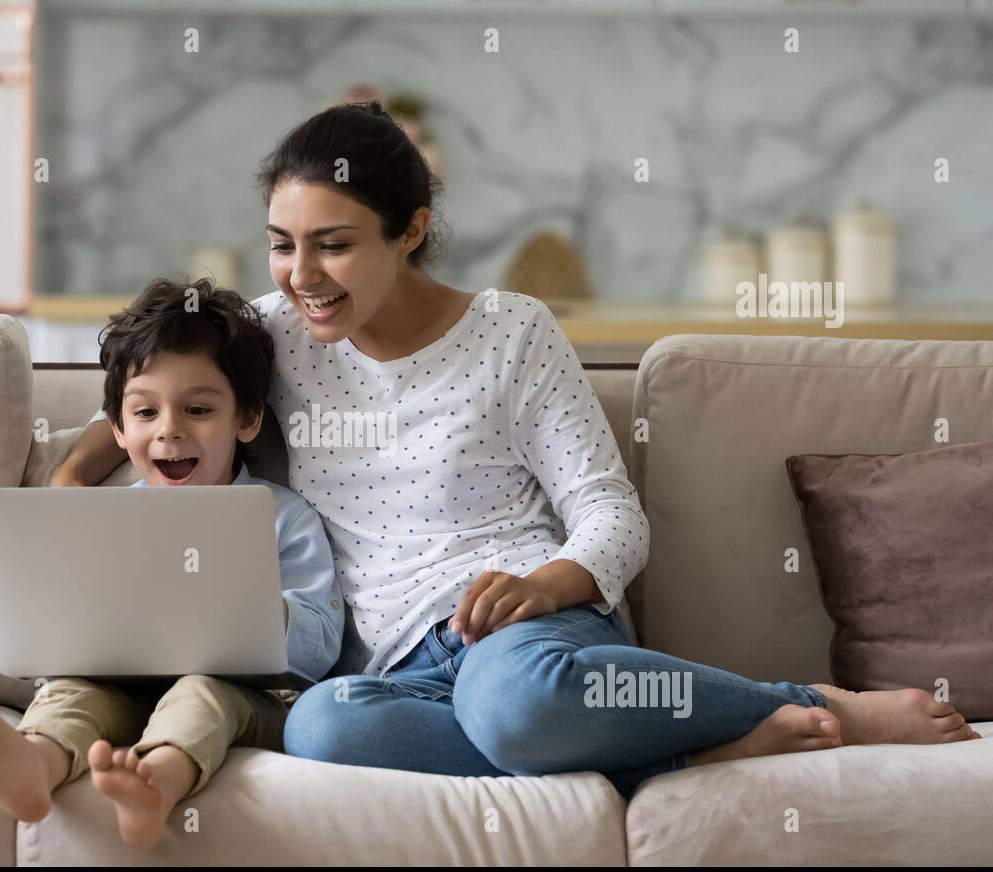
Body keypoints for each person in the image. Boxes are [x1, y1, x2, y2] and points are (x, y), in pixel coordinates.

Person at [58, 102, 979, 800]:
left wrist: (545, 587)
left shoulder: (511, 333)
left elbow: (611, 516)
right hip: (389, 671)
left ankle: (808, 702)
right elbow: (146, 393)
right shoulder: (278, 332)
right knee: (324, 732)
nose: (302, 276)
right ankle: (692, 748)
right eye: (283, 246)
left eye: (332, 246)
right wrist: (72, 478)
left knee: (515, 705)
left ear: (410, 228)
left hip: (531, 637)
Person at [0, 277, 344, 847]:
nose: (169, 429)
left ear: (247, 419)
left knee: (201, 691)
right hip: (122, 684)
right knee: (73, 692)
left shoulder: (282, 516)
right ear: (120, 430)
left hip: (241, 695)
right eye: (146, 412)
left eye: (198, 409)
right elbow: (48, 632)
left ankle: (156, 782)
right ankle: (33, 765)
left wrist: (245, 603)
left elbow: (320, 647)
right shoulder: (107, 518)